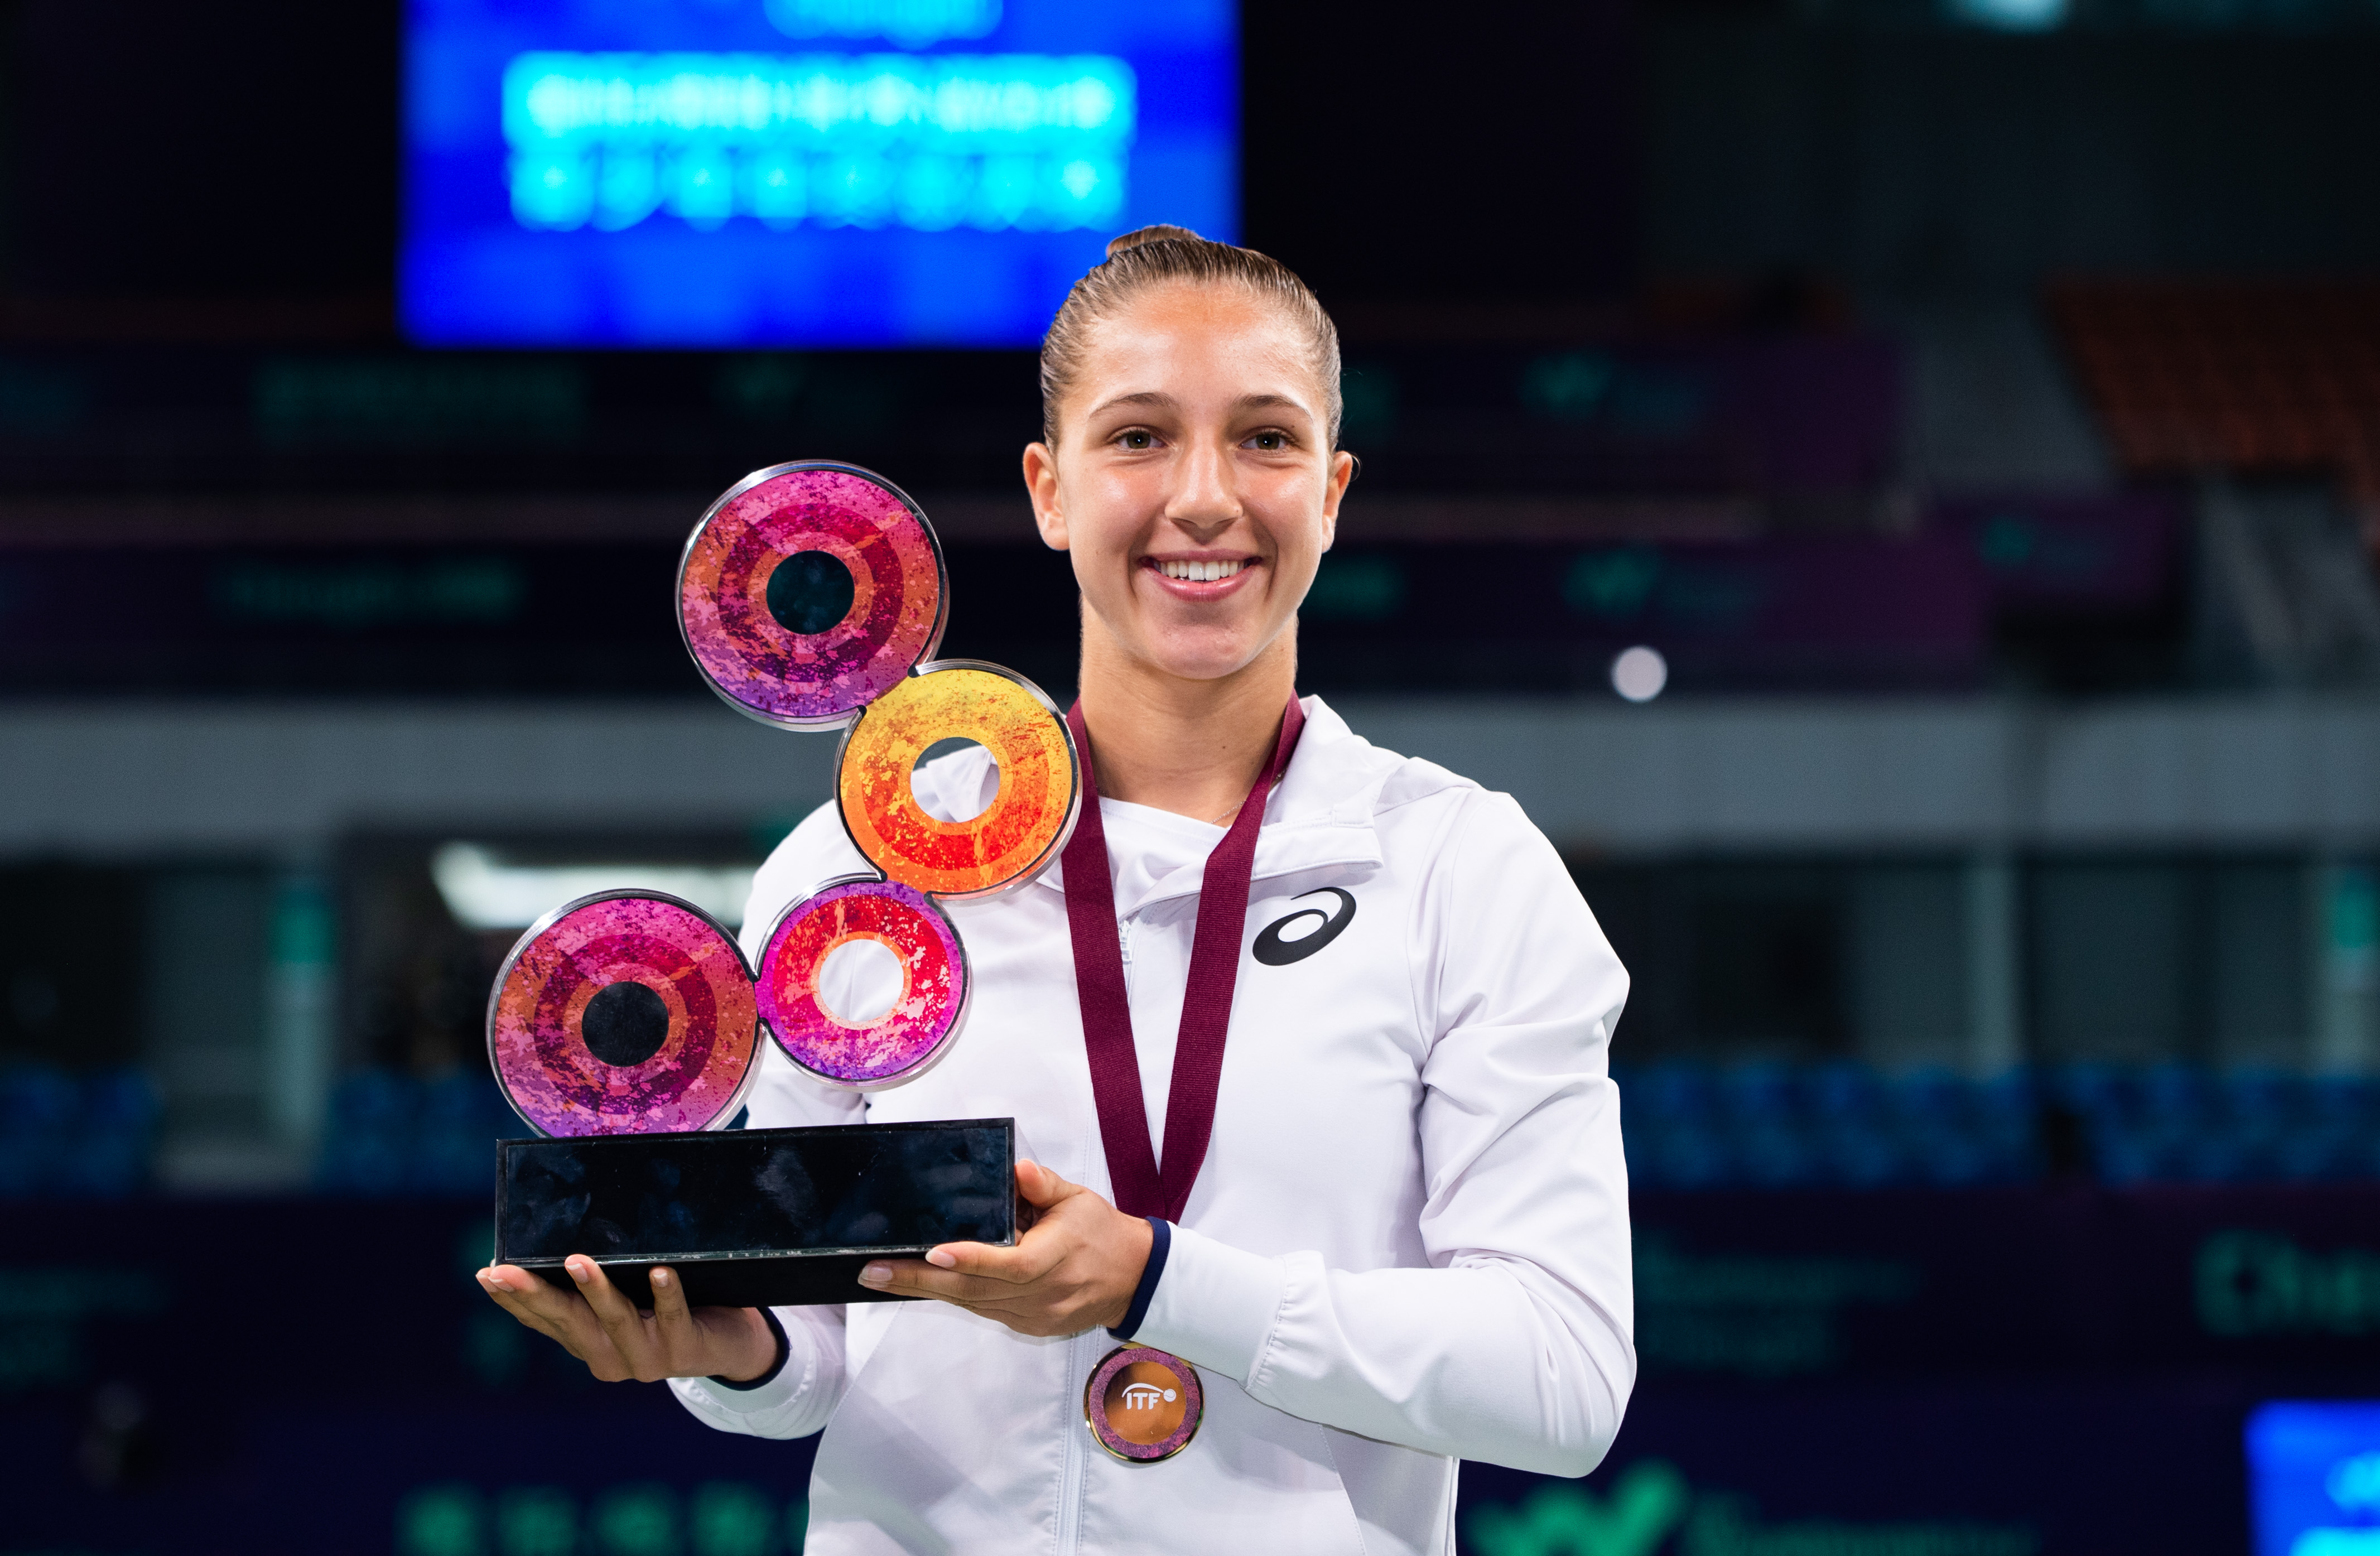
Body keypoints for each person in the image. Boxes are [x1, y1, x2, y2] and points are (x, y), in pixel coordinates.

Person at [478, 226, 1635, 1555]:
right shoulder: (855, 870)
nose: (1205, 497)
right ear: (1048, 488)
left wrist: (1159, 1281)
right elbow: (807, 1361)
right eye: (1138, 438)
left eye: (1266, 439)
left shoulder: (1463, 871)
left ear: (1332, 493)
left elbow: (1563, 1379)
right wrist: (727, 1348)